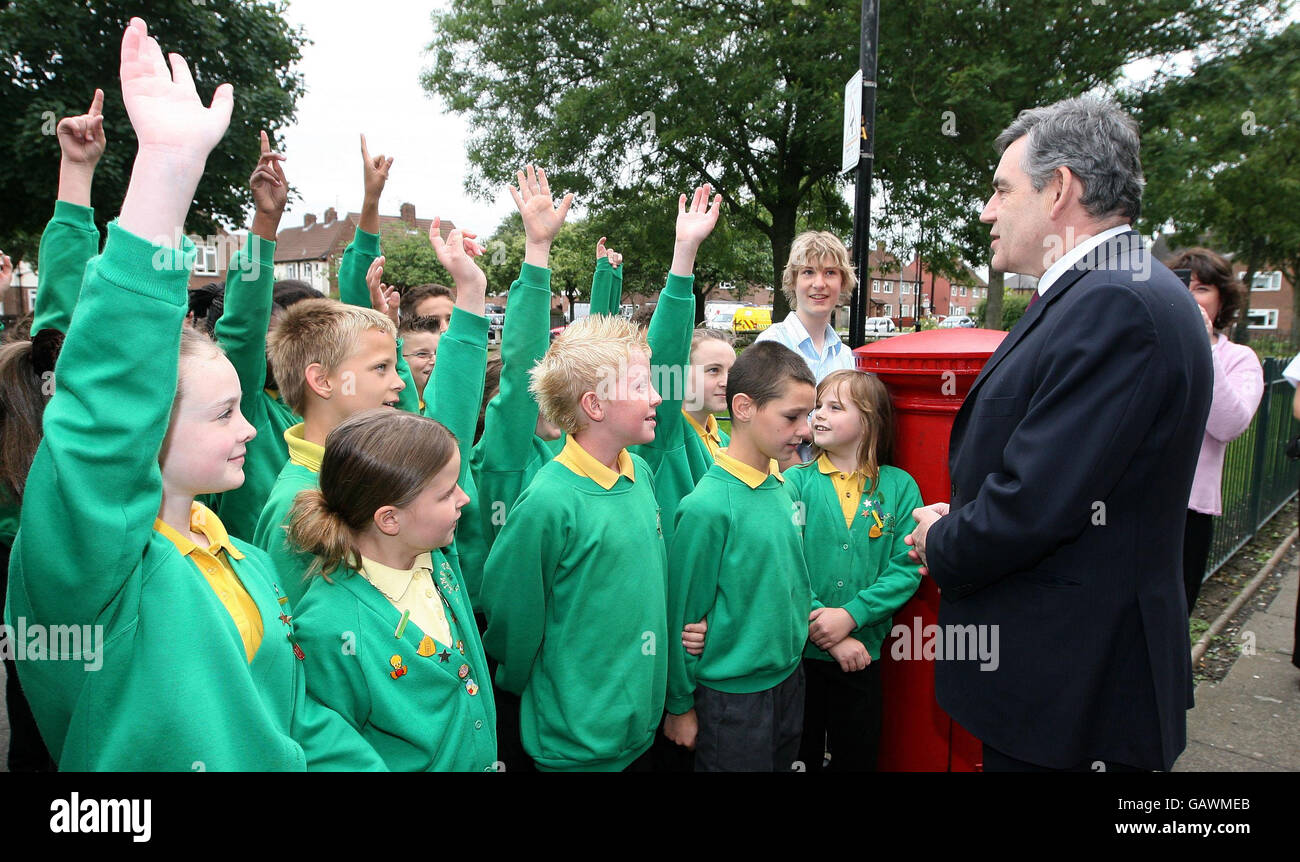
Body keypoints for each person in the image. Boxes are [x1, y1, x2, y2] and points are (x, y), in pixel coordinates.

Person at [5, 18, 381, 771]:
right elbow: (102, 406)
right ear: (146, 427)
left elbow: (291, 721)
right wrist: (163, 181)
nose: (252, 428)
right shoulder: (83, 571)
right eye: (222, 412)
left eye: (242, 405)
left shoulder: (241, 556)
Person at [905, 96, 1213, 772]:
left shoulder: (1113, 305)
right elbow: (1074, 480)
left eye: (1000, 189)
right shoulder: (1111, 291)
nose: (987, 211)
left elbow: (1037, 505)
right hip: (1072, 686)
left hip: (1074, 697)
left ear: (1061, 189)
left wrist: (942, 538)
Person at [480, 312, 667, 772]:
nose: (658, 396)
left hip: (640, 730)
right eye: (642, 386)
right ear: (594, 405)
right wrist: (536, 687)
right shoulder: (548, 500)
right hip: (574, 743)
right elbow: (512, 618)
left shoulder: (638, 473)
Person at [288, 409, 496, 772]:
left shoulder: (437, 561)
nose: (464, 498)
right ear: (389, 519)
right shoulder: (328, 627)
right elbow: (330, 751)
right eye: (447, 493)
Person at [662, 341, 817, 772]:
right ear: (744, 407)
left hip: (788, 683)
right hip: (731, 701)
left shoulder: (783, 486)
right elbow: (682, 615)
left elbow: (790, 582)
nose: (805, 430)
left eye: (808, 415)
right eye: (792, 416)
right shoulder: (706, 507)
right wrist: (679, 705)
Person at [788, 369, 924, 772]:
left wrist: (851, 616)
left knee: (857, 755)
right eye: (818, 407)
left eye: (835, 407)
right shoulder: (795, 482)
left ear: (868, 421)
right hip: (799, 658)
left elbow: (908, 566)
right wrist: (826, 632)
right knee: (799, 754)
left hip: (863, 657)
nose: (819, 415)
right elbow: (786, 562)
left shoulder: (899, 487)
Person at [1166, 248, 1263, 614]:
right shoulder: (1151, 346)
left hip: (1188, 512)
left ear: (1222, 300)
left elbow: (1229, 425)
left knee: (1171, 619)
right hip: (1128, 505)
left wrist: (1201, 347)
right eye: (1182, 287)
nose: (1191, 298)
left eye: (1202, 288)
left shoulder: (1238, 359)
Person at [754, 230, 857, 384]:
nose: (819, 284)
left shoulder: (846, 358)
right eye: (808, 272)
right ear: (793, 281)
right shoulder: (771, 345)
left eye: (830, 272)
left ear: (842, 282)